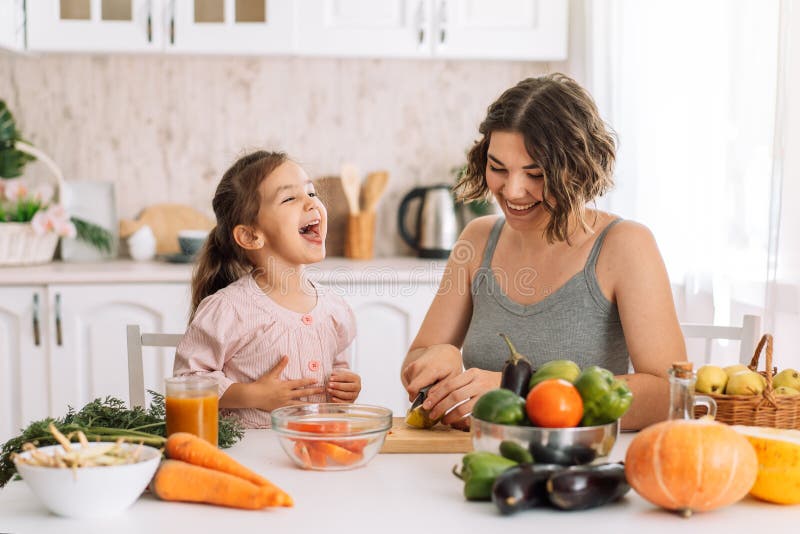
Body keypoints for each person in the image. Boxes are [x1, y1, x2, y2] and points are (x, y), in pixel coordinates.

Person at [401, 73, 685, 431]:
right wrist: (436, 363)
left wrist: (518, 391)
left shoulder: (625, 245)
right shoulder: (477, 239)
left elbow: (669, 394)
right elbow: (416, 359)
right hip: (480, 459)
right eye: (497, 168)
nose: (513, 191)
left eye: (535, 174)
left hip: (578, 467)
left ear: (579, 167)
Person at [174, 151, 361, 428]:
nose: (310, 203)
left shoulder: (335, 308)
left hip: (315, 452)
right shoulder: (230, 308)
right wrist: (251, 395)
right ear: (250, 236)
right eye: (289, 198)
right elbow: (186, 383)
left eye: (311, 192)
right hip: (248, 457)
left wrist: (346, 387)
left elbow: (337, 367)